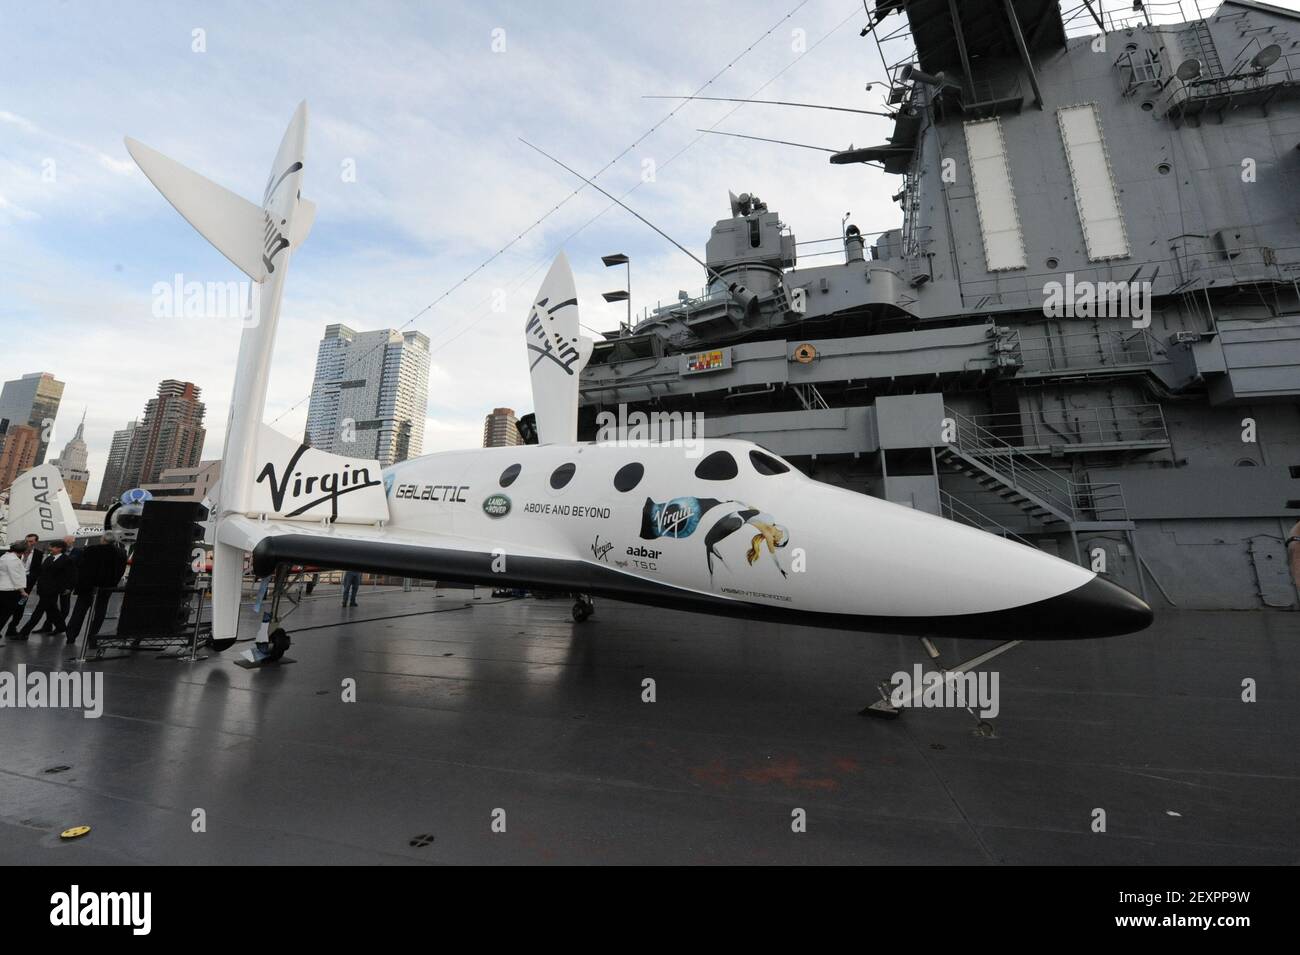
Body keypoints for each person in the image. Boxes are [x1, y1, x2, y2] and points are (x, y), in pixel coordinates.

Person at [65, 536, 128, 646]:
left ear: (103, 540)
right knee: (99, 613)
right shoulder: (121, 553)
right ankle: (93, 636)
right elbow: (120, 571)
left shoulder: (91, 550)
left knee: (79, 612)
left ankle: (71, 636)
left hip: (88, 587)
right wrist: (113, 583)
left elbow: (82, 567)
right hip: (106, 588)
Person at [17, 540, 76, 639]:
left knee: (38, 611)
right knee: (52, 610)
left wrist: (69, 588)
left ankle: (24, 633)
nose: (50, 549)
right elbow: (42, 572)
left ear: (59, 549)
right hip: (44, 589)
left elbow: (71, 575)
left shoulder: (66, 560)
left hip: (53, 589)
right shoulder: (49, 558)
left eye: (52, 547)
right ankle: (62, 627)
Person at [6, 534, 44, 636]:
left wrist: (31, 579)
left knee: (20, 606)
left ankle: (12, 627)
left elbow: (37, 569)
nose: (28, 543)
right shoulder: (15, 552)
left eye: (31, 541)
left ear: (36, 542)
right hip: (12, 583)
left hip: (27, 584)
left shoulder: (38, 554)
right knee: (9, 606)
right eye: (27, 541)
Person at [0, 542, 29, 636]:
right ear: (23, 551)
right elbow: (16, 577)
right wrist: (23, 591)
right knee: (4, 615)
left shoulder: (4, 557)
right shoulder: (14, 560)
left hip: (2, 588)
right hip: (9, 590)